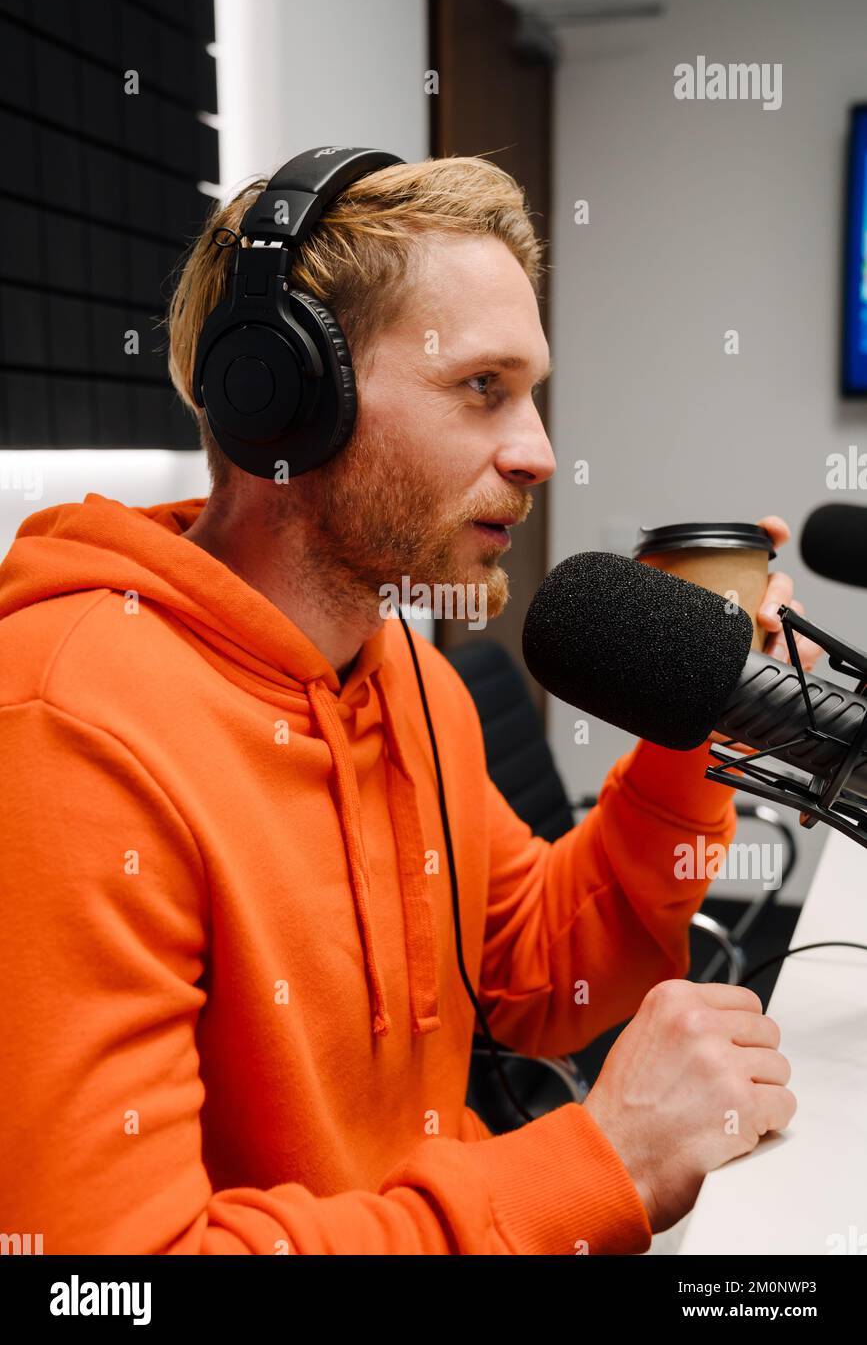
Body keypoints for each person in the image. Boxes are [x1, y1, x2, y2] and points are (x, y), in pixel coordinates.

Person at [0, 156, 822, 1254]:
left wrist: (698, 715)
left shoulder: (409, 676)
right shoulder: (68, 729)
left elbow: (543, 968)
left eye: (531, 393)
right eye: (481, 387)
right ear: (283, 399)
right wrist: (599, 1163)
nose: (539, 453)